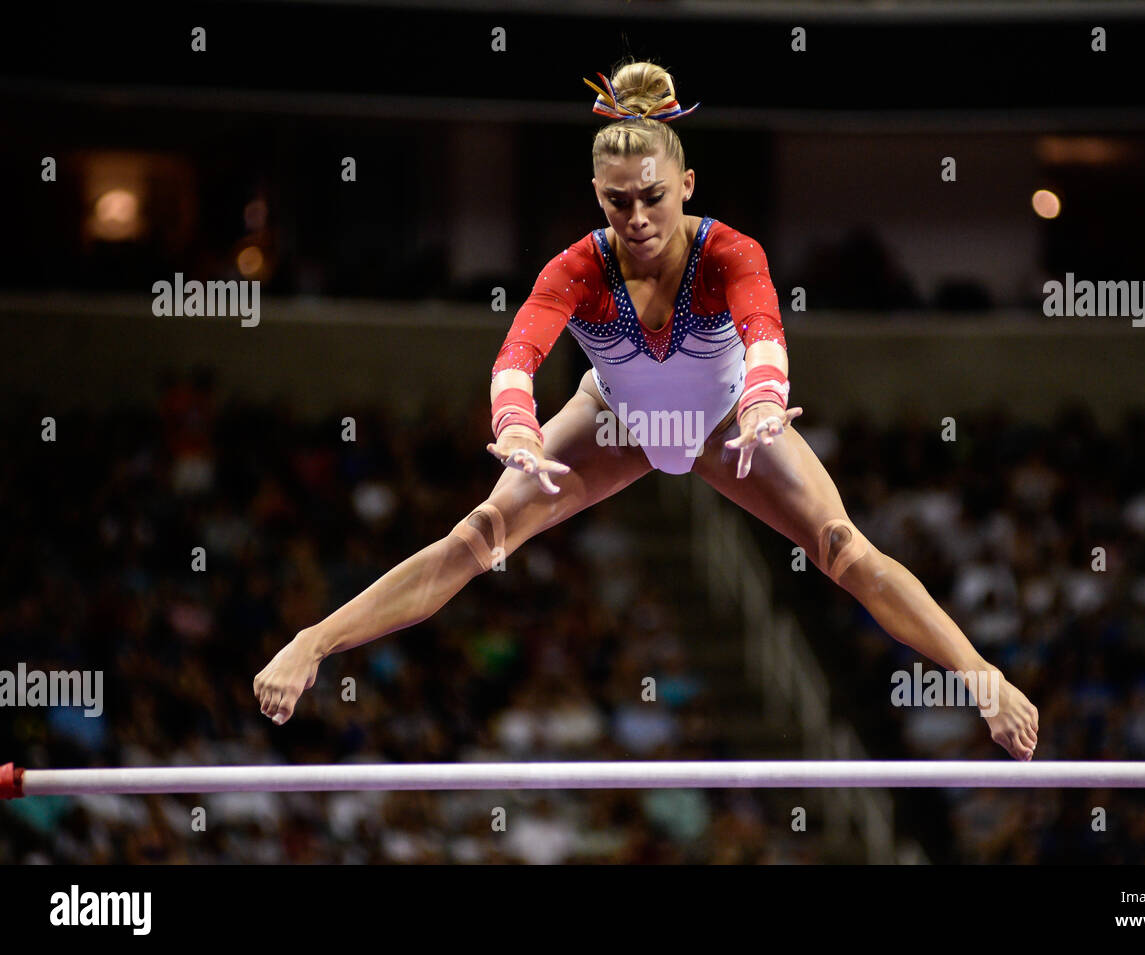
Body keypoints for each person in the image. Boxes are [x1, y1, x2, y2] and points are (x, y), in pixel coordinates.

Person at [254, 59, 1039, 761]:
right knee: (478, 535)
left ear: (687, 186)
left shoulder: (731, 253)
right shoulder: (576, 267)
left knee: (841, 547)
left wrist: (765, 400)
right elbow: (515, 356)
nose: (637, 217)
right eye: (618, 201)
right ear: (595, 196)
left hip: (730, 425)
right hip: (615, 424)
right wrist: (517, 427)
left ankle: (981, 676)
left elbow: (765, 330)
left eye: (654, 197)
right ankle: (314, 641)